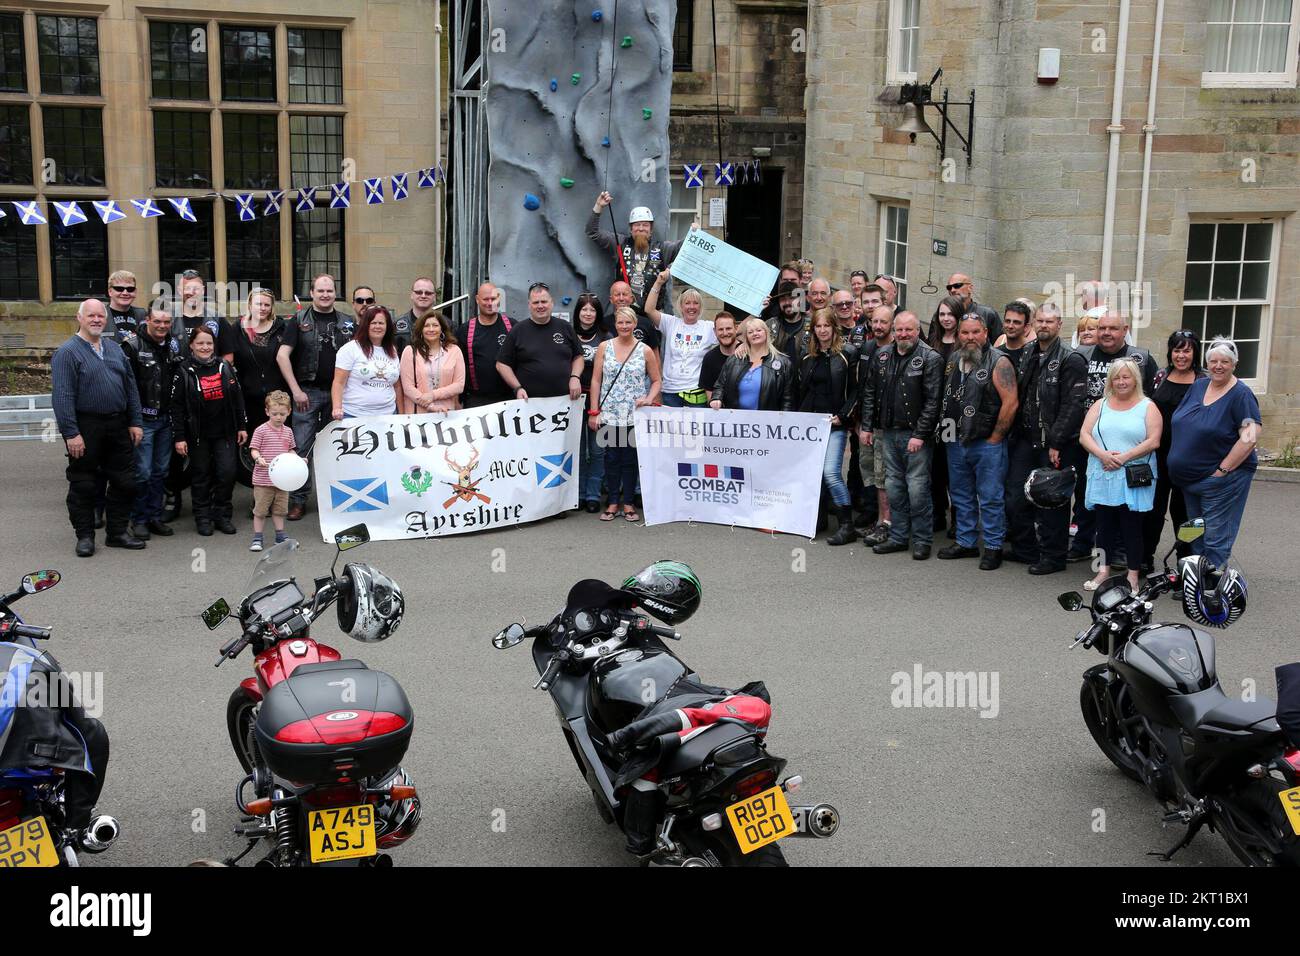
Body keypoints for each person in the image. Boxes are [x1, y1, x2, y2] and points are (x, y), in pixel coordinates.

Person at [51, 299, 144, 556]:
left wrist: (135, 421)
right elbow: (62, 396)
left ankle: (117, 533)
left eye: (100, 316)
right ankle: (85, 537)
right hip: (86, 425)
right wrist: (71, 433)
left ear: (106, 319)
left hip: (118, 424)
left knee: (124, 481)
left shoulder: (115, 350)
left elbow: (131, 388)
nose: (96, 320)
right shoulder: (67, 352)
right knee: (84, 484)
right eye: (90, 315)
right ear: (79, 318)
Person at [1006, 302, 1087, 574]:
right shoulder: (1027, 352)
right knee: (1016, 495)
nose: (1044, 325)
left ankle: (1053, 557)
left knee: (1053, 500)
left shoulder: (1071, 358)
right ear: (1033, 324)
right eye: (1040, 321)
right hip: (1025, 439)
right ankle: (1026, 550)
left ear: (1059, 325)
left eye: (1049, 321)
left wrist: (1056, 442)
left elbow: (1073, 405)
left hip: (1056, 443)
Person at [1167, 337, 1262, 569]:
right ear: (1207, 363)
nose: (1218, 366)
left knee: (1216, 535)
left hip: (1220, 481)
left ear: (1234, 364)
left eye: (1225, 362)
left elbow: (1250, 435)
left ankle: (1214, 590)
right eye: (1214, 361)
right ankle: (1199, 582)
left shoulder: (1241, 394)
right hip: (1191, 481)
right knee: (1197, 532)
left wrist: (1222, 470)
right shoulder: (1199, 385)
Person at [1070, 310, 1156, 562]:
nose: (1106, 333)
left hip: (1126, 442)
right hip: (1088, 437)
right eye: (1102, 328)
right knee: (1088, 495)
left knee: (1122, 501)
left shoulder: (1140, 357)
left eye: (1113, 328)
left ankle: (1118, 552)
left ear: (1125, 330)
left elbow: (1149, 396)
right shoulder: (1081, 355)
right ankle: (1083, 544)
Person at [936, 315, 1019, 570]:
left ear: (985, 333)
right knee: (960, 495)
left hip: (986, 442)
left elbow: (1011, 402)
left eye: (975, 332)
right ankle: (966, 542)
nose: (970, 337)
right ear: (958, 334)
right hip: (954, 439)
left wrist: (996, 437)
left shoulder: (999, 361)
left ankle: (993, 547)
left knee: (991, 497)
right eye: (965, 333)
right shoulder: (953, 359)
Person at [858, 311, 943, 559]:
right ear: (893, 331)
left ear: (918, 331)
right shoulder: (882, 355)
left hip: (915, 436)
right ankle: (897, 537)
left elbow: (933, 402)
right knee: (893, 488)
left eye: (909, 329)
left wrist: (920, 434)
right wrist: (866, 427)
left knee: (917, 490)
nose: (904, 334)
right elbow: (870, 393)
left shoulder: (931, 358)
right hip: (887, 432)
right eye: (900, 330)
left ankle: (922, 540)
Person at [1078, 358, 1160, 591]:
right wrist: (1102, 455)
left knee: (1131, 528)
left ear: (1135, 379)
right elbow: (1084, 434)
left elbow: (1153, 441)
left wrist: (1122, 458)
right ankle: (1102, 571)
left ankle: (1132, 576)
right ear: (1110, 380)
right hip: (1103, 473)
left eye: (1126, 377)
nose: (1121, 382)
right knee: (1102, 527)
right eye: (1116, 377)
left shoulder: (1147, 406)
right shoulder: (1100, 404)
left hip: (1132, 476)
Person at [277, 273, 350, 519]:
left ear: (335, 292)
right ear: (312, 292)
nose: (325, 294)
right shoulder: (298, 321)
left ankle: (337, 498)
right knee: (301, 450)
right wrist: (295, 390)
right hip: (307, 394)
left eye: (329, 290)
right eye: (321, 290)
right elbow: (282, 355)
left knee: (338, 450)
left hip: (339, 395)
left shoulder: (348, 322)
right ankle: (298, 501)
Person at [171, 325, 248, 537]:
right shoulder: (184, 370)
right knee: (201, 476)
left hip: (225, 432)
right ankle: (203, 517)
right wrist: (179, 437)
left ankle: (222, 515)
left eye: (209, 343)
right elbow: (176, 407)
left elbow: (237, 398)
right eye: (200, 343)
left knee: (227, 473)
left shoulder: (225, 366)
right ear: (191, 346)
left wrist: (241, 425)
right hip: (197, 435)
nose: (205, 347)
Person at [1141, 329, 1206, 572]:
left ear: (1195, 352)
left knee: (1185, 515)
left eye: (1186, 350)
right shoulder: (1159, 376)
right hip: (1157, 458)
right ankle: (1145, 559)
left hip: (1188, 460)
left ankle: (1186, 565)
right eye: (1177, 350)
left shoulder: (1204, 381)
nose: (1181, 355)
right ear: (1170, 352)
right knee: (1151, 511)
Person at [589, 306, 661, 522]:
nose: (624, 326)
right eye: (620, 322)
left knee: (629, 459)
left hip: (633, 416)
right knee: (610, 458)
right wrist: (594, 411)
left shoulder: (645, 350)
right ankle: (612, 502)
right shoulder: (604, 347)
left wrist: (649, 398)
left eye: (628, 322)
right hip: (609, 413)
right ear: (615, 324)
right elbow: (596, 380)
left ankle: (628, 502)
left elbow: (657, 381)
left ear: (634, 324)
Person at [120, 305, 182, 541]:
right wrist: (133, 420)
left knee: (160, 472)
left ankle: (155, 516)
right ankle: (139, 520)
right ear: (147, 320)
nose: (162, 326)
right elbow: (127, 387)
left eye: (167, 322)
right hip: (143, 421)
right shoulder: (132, 346)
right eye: (157, 321)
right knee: (143, 472)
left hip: (165, 419)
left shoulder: (172, 345)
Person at [796, 311, 859, 545]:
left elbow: (856, 390)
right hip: (810, 425)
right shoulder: (806, 355)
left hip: (835, 424)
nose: (822, 330)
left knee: (831, 473)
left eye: (827, 326)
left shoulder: (848, 353)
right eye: (818, 326)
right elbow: (799, 388)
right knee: (812, 474)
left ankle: (847, 525)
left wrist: (843, 416)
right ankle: (818, 519)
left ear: (834, 328)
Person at [588, 192, 689, 313]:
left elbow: (685, 247)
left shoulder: (663, 248)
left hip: (654, 316)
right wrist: (599, 206)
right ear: (631, 229)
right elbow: (592, 232)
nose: (641, 228)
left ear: (651, 230)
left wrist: (694, 232)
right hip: (625, 315)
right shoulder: (620, 243)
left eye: (645, 225)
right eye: (637, 225)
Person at [496, 283, 585, 400]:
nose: (540, 306)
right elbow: (501, 364)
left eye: (544, 302)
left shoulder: (564, 327)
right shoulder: (518, 330)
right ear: (529, 305)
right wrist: (517, 388)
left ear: (551, 303)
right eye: (535, 302)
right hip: (530, 404)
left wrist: (575, 377)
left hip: (565, 402)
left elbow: (578, 356)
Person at [645, 272, 717, 407]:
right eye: (687, 303)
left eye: (695, 303)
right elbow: (649, 309)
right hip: (670, 392)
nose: (691, 307)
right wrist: (659, 282)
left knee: (696, 429)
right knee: (671, 429)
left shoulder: (708, 327)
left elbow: (732, 334)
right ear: (681, 306)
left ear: (700, 307)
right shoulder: (671, 323)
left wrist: (759, 310)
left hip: (696, 392)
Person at [855, 304, 895, 543]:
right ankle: (878, 519)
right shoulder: (867, 347)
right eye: (875, 322)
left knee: (884, 477)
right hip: (867, 422)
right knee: (869, 472)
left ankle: (886, 523)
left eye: (883, 322)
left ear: (892, 324)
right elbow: (863, 388)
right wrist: (861, 422)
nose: (878, 326)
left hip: (887, 425)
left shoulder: (898, 349)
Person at [925, 294, 965, 535]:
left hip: (954, 416)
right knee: (935, 469)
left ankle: (958, 519)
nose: (946, 319)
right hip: (933, 414)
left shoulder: (966, 342)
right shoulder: (932, 342)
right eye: (942, 314)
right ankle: (937, 514)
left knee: (954, 471)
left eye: (951, 314)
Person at [231, 288, 288, 437]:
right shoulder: (238, 328)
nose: (262, 308)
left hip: (278, 397)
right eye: (258, 304)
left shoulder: (282, 327)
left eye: (267, 305)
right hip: (247, 396)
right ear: (250, 304)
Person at [709, 318, 795, 411]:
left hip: (769, 421)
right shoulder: (733, 360)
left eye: (759, 330)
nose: (755, 334)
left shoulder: (783, 363)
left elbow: (788, 398)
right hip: (736, 421)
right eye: (750, 332)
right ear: (747, 337)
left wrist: (784, 419)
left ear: (766, 333)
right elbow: (720, 385)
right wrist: (716, 398)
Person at [332, 305, 403, 419]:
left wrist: (402, 414)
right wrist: (337, 408)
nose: (377, 327)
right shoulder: (350, 349)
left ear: (387, 326)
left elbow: (397, 386)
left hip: (388, 415)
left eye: (381, 323)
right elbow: (339, 383)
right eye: (373, 323)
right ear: (365, 325)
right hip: (354, 415)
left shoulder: (392, 350)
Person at [246, 390, 295, 552]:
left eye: (282, 414)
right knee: (260, 511)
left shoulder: (288, 431)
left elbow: (291, 450)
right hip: (263, 480)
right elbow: (253, 449)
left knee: (280, 510)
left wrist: (297, 460)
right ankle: (257, 537)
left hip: (282, 480)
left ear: (289, 411)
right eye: (274, 414)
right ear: (267, 412)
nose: (278, 417)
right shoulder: (261, 430)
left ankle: (280, 536)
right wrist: (258, 457)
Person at [573, 293, 609, 512]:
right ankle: (578, 494)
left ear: (598, 313)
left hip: (599, 399)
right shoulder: (568, 334)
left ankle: (594, 494)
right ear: (578, 312)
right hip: (574, 400)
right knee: (577, 449)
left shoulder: (606, 336)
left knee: (597, 450)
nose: (588, 314)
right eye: (584, 309)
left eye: (592, 310)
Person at [458, 281, 514, 407]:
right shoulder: (464, 331)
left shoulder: (513, 326)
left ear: (499, 299)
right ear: (477, 300)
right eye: (485, 299)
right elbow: (458, 368)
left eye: (493, 299)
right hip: (476, 401)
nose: (490, 303)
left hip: (509, 400)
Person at [400, 310, 464, 415]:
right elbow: (408, 388)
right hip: (418, 416)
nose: (431, 329)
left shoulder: (454, 350)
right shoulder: (410, 351)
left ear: (441, 329)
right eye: (426, 326)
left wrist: (433, 395)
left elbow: (459, 385)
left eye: (435, 325)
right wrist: (431, 406)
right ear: (421, 329)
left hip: (447, 414)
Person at [170, 269, 235, 365]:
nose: (191, 293)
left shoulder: (217, 319)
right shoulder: (169, 320)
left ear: (203, 290)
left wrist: (217, 375)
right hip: (178, 377)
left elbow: (228, 355)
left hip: (210, 378)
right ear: (180, 291)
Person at [944, 273, 1002, 343]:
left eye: (957, 286)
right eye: (949, 287)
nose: (952, 290)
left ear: (970, 288)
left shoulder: (988, 314)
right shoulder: (942, 315)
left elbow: (999, 345)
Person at [606, 280, 661, 350]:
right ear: (611, 299)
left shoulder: (646, 324)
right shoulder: (603, 324)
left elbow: (655, 357)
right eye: (617, 295)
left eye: (625, 294)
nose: (621, 298)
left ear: (631, 298)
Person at [396, 276, 439, 359]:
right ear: (412, 295)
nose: (423, 296)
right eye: (419, 292)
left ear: (434, 297)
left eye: (428, 293)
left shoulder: (448, 325)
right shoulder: (396, 325)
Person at [697, 311, 738, 393]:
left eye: (728, 328)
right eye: (720, 329)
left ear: (736, 329)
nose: (725, 333)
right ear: (715, 332)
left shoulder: (748, 352)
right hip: (720, 405)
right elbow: (709, 393)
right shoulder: (710, 358)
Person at [765, 280, 806, 360]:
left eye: (791, 298)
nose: (787, 302)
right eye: (783, 299)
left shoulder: (812, 326)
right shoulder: (769, 325)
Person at [104, 269, 147, 342]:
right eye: (119, 289)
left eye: (130, 289)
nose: (125, 293)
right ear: (110, 291)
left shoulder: (143, 315)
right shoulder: (99, 315)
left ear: (135, 292)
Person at [995, 301, 1033, 368]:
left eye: (1016, 322)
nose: (1010, 326)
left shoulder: (1033, 353)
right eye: (1007, 321)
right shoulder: (996, 353)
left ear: (1026, 327)